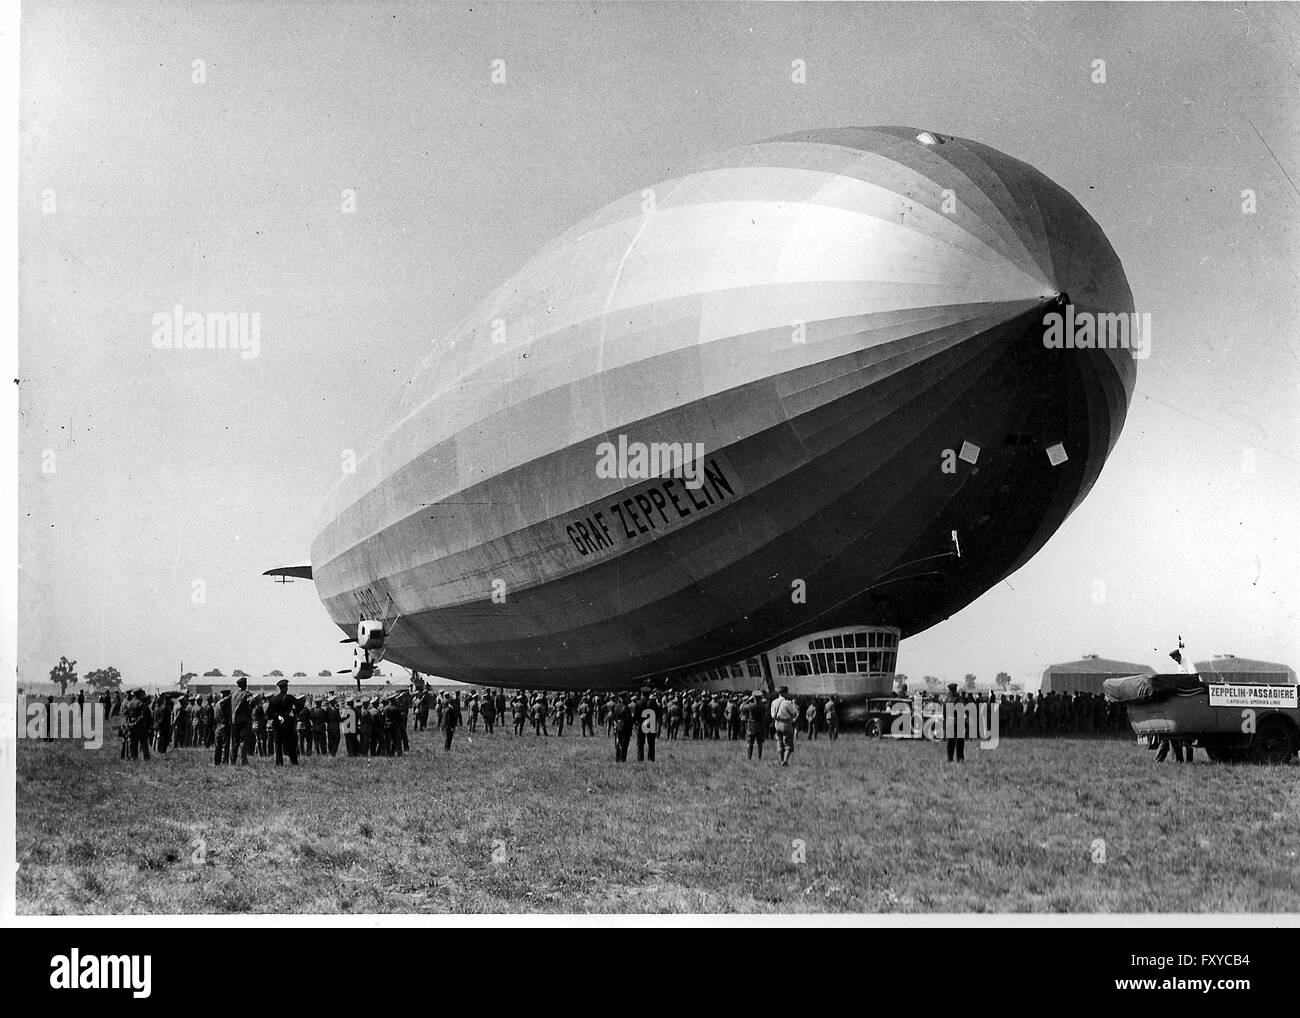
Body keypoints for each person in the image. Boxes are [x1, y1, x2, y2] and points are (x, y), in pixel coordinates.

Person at [266, 678, 301, 766]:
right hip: (288, 724)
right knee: (290, 745)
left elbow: (268, 714)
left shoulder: (274, 699)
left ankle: (279, 763)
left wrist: (277, 716)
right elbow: (299, 706)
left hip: (277, 724)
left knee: (278, 745)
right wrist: (293, 713)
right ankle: (294, 762)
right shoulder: (289, 697)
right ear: (285, 688)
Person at [770, 686, 799, 766]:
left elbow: (772, 715)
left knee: (779, 742)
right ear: (784, 693)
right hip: (786, 724)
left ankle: (781, 760)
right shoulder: (787, 703)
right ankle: (785, 761)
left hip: (777, 723)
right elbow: (794, 713)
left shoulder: (774, 702)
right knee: (788, 743)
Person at [230, 676, 255, 765]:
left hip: (234, 721)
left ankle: (232, 761)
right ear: (245, 684)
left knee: (234, 742)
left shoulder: (233, 694)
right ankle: (243, 760)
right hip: (244, 721)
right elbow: (252, 702)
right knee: (243, 741)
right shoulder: (246, 694)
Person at [124, 689, 152, 761]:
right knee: (144, 743)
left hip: (131, 726)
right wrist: (136, 723)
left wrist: (129, 724)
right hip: (140, 727)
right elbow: (143, 716)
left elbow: (126, 716)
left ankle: (133, 757)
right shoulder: (142, 704)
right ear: (139, 694)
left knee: (133, 743)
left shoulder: (129, 704)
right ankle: (146, 757)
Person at [636, 689, 661, 762]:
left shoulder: (639, 703)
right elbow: (658, 713)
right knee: (651, 744)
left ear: (642, 693)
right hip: (651, 723)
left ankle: (640, 758)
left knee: (640, 744)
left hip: (642, 723)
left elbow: (636, 715)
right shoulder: (653, 703)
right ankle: (651, 758)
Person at [944, 683, 965, 763]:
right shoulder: (959, 700)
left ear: (950, 690)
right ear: (955, 690)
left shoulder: (946, 700)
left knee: (950, 742)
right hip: (957, 722)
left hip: (949, 722)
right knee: (959, 742)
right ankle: (959, 759)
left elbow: (944, 713)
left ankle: (950, 758)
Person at [744, 691, 768, 760]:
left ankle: (749, 758)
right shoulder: (763, 706)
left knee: (750, 743)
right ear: (760, 698)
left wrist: (747, 700)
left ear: (754, 697)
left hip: (752, 725)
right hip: (760, 725)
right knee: (759, 744)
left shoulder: (751, 705)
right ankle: (759, 758)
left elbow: (741, 708)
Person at [612, 693, 634, 762]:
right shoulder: (626, 708)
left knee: (618, 743)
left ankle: (617, 758)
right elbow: (629, 719)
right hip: (625, 727)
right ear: (624, 698)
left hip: (618, 726)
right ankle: (623, 759)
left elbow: (613, 717)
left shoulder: (615, 706)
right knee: (624, 744)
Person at [213, 690, 232, 766]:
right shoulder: (223, 704)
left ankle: (216, 762)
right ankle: (224, 762)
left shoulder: (216, 704)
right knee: (225, 746)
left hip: (218, 726)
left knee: (217, 746)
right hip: (224, 726)